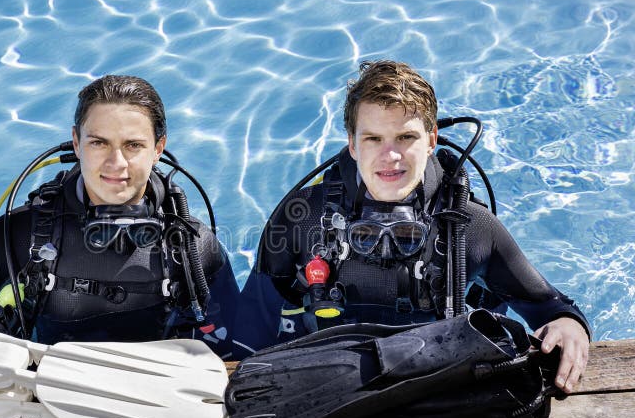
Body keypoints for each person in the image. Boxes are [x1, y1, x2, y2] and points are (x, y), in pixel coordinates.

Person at [236, 60, 590, 393]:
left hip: (431, 388)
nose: (390, 156)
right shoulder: (301, 217)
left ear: (431, 140)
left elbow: (551, 307)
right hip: (323, 387)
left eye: (405, 137)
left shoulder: (470, 226)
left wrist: (569, 325)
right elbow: (251, 326)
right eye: (373, 138)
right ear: (353, 145)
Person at [0, 75, 239, 358]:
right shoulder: (27, 232)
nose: (116, 164)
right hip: (45, 401)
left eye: (133, 145)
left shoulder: (192, 245)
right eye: (99, 143)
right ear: (76, 143)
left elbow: (239, 340)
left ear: (158, 148)